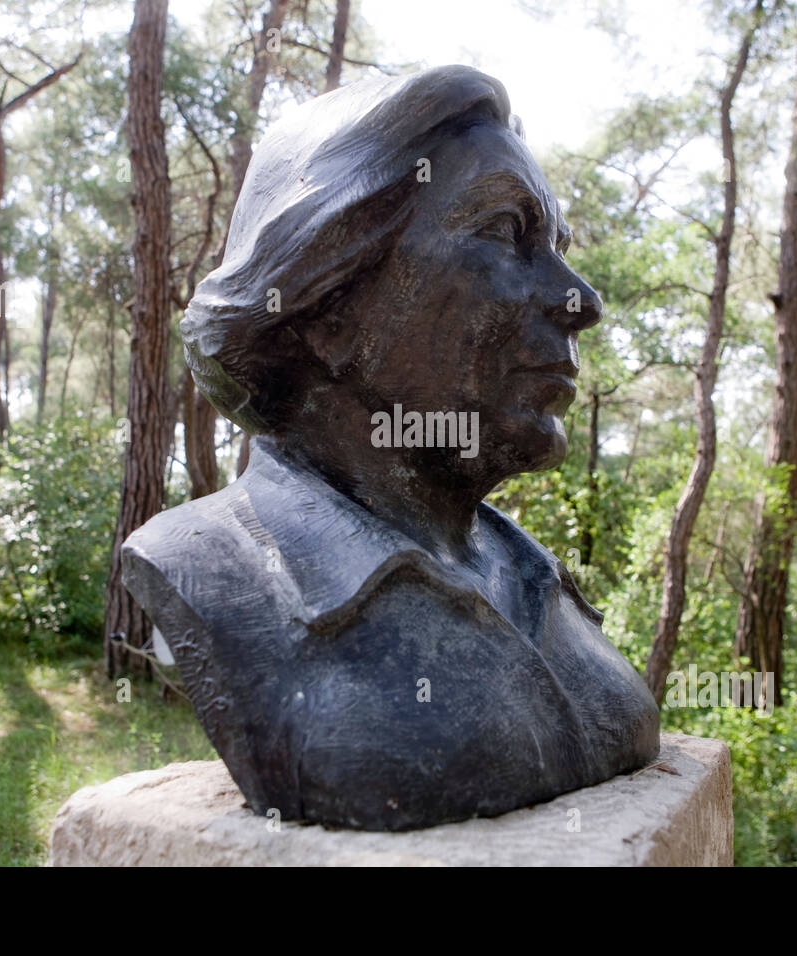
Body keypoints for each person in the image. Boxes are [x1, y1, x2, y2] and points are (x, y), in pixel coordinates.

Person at [123, 64, 660, 831]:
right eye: (506, 234)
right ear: (327, 306)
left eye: (561, 246)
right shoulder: (206, 570)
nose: (581, 301)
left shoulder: (538, 578)